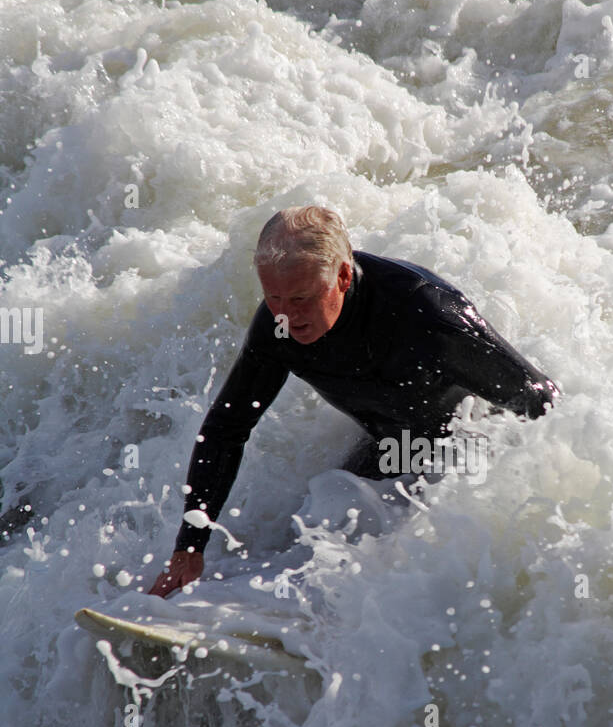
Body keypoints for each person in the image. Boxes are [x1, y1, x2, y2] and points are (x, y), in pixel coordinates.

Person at [149, 206, 558, 597]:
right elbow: (226, 429)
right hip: (393, 450)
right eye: (273, 298)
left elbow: (542, 403)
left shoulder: (428, 316)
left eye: (301, 299)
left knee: (393, 557)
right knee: (314, 530)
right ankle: (260, 609)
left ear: (343, 276)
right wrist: (189, 548)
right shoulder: (277, 328)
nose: (286, 317)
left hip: (464, 462)